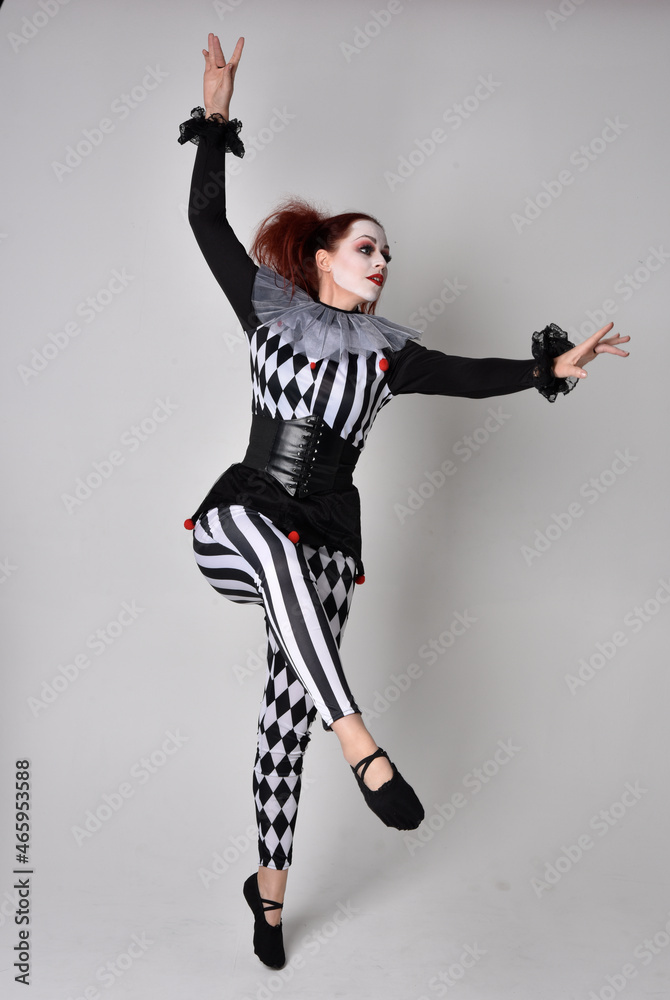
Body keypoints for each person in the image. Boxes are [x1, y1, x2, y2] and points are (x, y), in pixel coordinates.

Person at [177, 34, 630, 970]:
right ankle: (364, 743)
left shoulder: (390, 351)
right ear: (326, 259)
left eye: (388, 253)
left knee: (280, 719)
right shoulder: (267, 305)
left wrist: (552, 365)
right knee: (254, 533)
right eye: (366, 247)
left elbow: (473, 375)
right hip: (246, 513)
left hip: (326, 546)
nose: (382, 261)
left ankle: (267, 893)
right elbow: (207, 226)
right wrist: (215, 119)